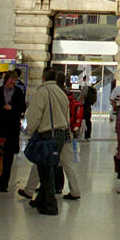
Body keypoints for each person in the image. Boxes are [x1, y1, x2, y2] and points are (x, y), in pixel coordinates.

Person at [23, 72, 82, 202]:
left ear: (43, 78)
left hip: (49, 133)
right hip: (65, 133)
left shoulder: (43, 92)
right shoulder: (63, 95)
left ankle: (36, 193)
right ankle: (75, 190)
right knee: (68, 163)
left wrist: (31, 132)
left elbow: (34, 115)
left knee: (41, 162)